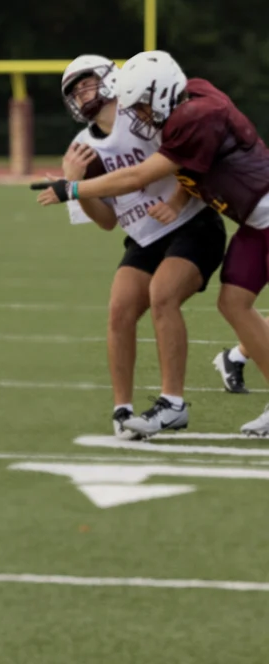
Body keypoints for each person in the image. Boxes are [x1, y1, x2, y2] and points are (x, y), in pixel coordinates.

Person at [37, 50, 269, 438]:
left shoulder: (189, 114)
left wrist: (71, 187)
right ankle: (128, 408)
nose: (141, 115)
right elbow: (115, 216)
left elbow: (152, 171)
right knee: (224, 303)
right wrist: (78, 187)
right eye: (73, 92)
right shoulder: (108, 135)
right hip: (243, 226)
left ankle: (179, 398)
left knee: (170, 295)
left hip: (213, 224)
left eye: (87, 84)